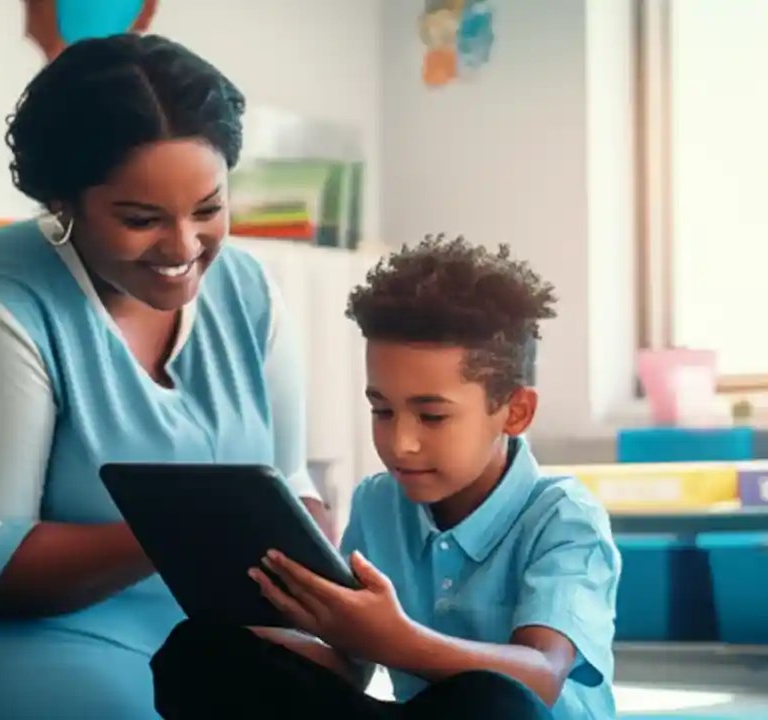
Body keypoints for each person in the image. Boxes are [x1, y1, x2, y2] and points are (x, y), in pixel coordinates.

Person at [0, 33, 331, 719]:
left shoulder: (249, 293)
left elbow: (291, 486)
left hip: (195, 628)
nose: (184, 248)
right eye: (140, 219)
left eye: (209, 209)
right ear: (63, 201)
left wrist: (320, 573)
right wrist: (190, 531)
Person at [152, 235, 622, 719]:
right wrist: (266, 633)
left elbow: (542, 675)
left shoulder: (564, 517)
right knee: (201, 652)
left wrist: (397, 641)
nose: (400, 444)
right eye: (382, 410)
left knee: (494, 701)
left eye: (433, 417)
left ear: (515, 411)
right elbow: (347, 668)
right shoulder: (379, 502)